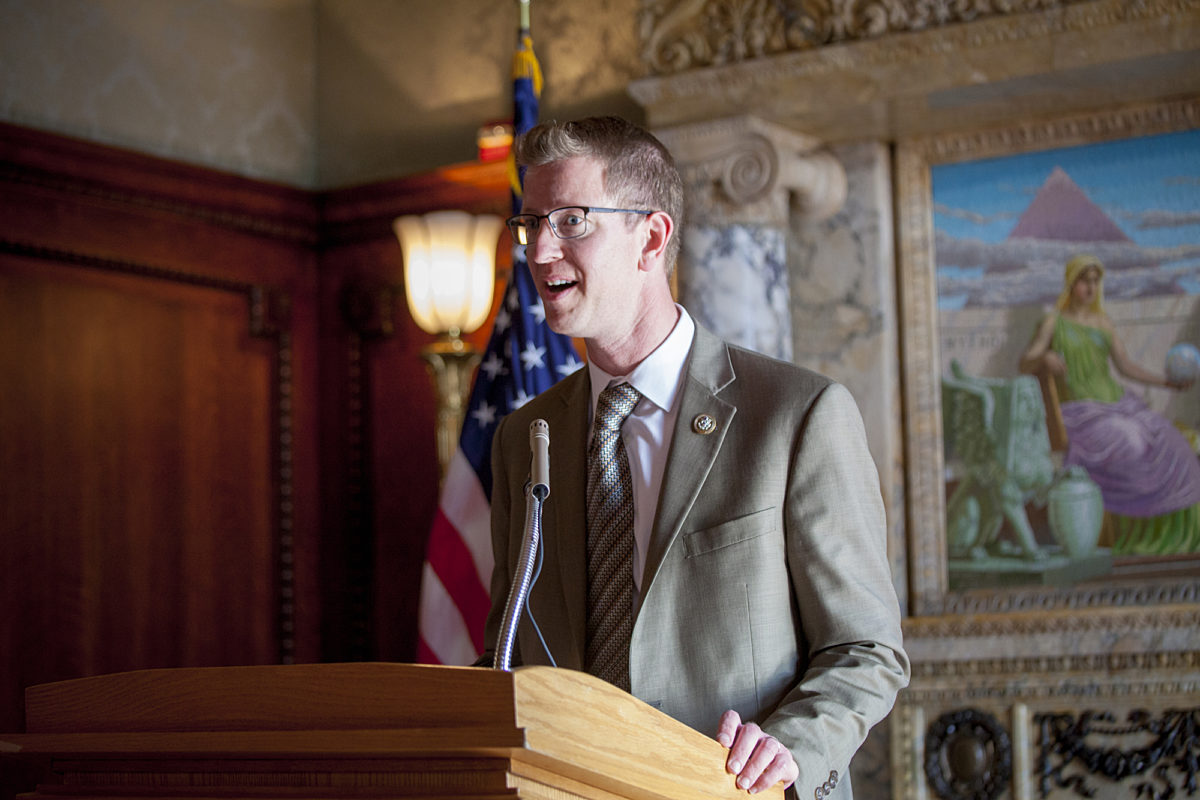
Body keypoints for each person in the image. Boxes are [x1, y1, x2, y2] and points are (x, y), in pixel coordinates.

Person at [478, 116, 909, 799]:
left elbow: (866, 650)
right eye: (531, 224)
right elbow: (510, 654)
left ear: (651, 238)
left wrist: (791, 745)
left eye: (572, 220)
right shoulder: (523, 440)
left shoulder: (796, 416)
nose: (540, 251)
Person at [1019, 253, 1200, 554]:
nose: (1090, 288)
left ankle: (1176, 535)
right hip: (1082, 413)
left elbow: (1126, 366)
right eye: (1084, 281)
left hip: (1119, 403)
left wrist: (1165, 383)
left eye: (1095, 281)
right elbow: (1024, 362)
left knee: (1171, 439)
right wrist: (1044, 357)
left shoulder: (1104, 323)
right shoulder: (1054, 322)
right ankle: (1132, 533)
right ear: (1071, 283)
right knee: (1130, 441)